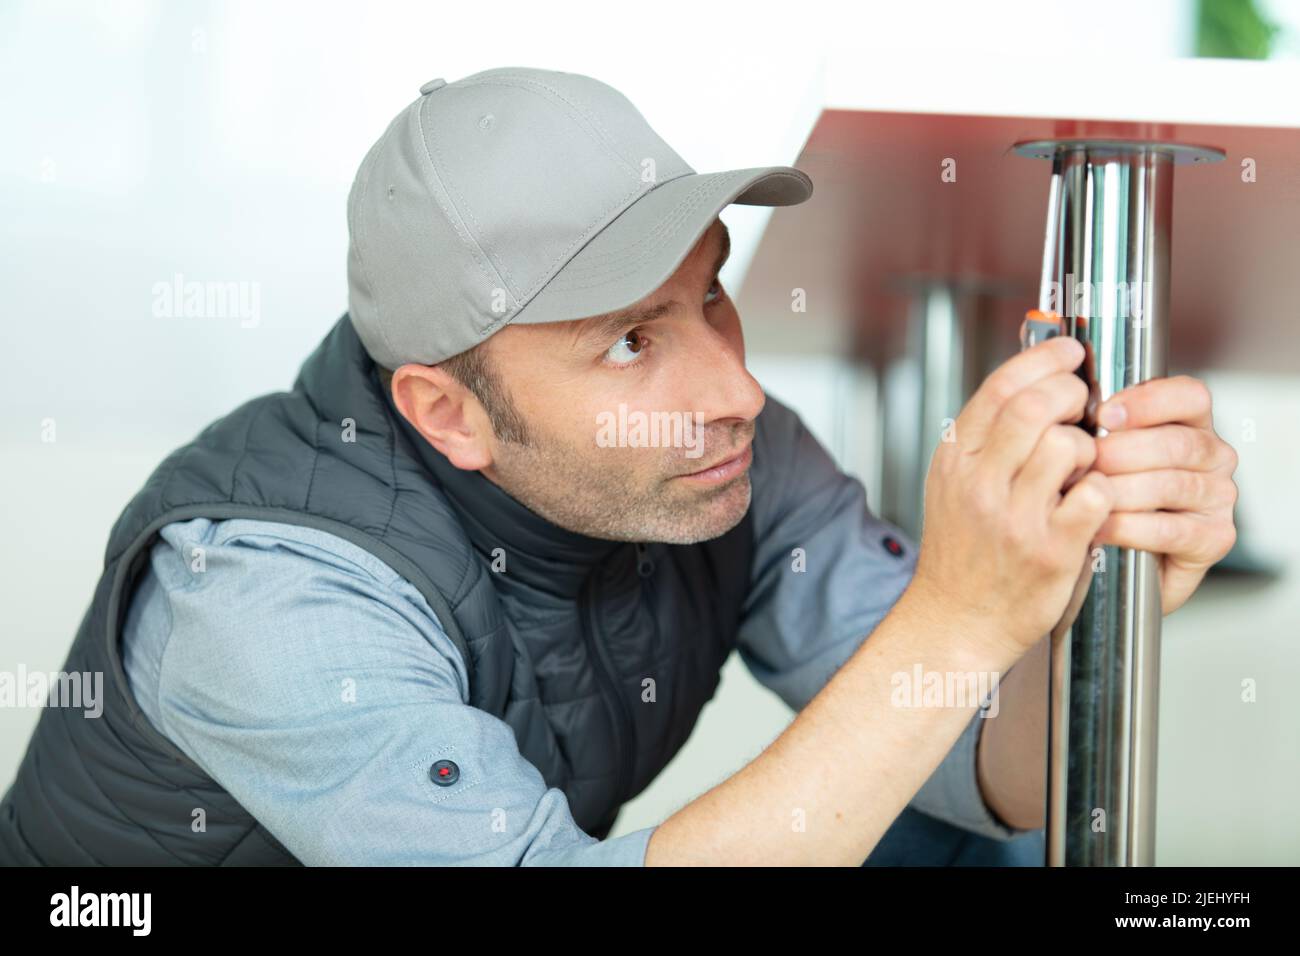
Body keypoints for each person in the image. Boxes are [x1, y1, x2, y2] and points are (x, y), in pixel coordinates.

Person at [0, 67, 1238, 866]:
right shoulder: (265, 592)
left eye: (710, 295)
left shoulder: (726, 454)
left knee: (947, 814)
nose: (733, 389)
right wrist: (956, 616)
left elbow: (988, 775)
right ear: (448, 411)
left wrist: (1068, 616)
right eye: (630, 340)